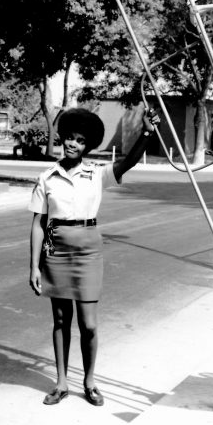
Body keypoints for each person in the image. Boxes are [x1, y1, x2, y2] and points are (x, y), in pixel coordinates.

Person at [28, 106, 160, 406]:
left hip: (88, 249)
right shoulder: (47, 176)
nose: (73, 144)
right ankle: (61, 383)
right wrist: (34, 266)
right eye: (69, 138)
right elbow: (37, 225)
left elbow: (128, 163)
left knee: (88, 324)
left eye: (80, 140)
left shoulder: (97, 174)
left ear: (88, 145)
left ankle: (89, 381)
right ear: (62, 138)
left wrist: (148, 132)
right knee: (61, 320)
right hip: (56, 249)